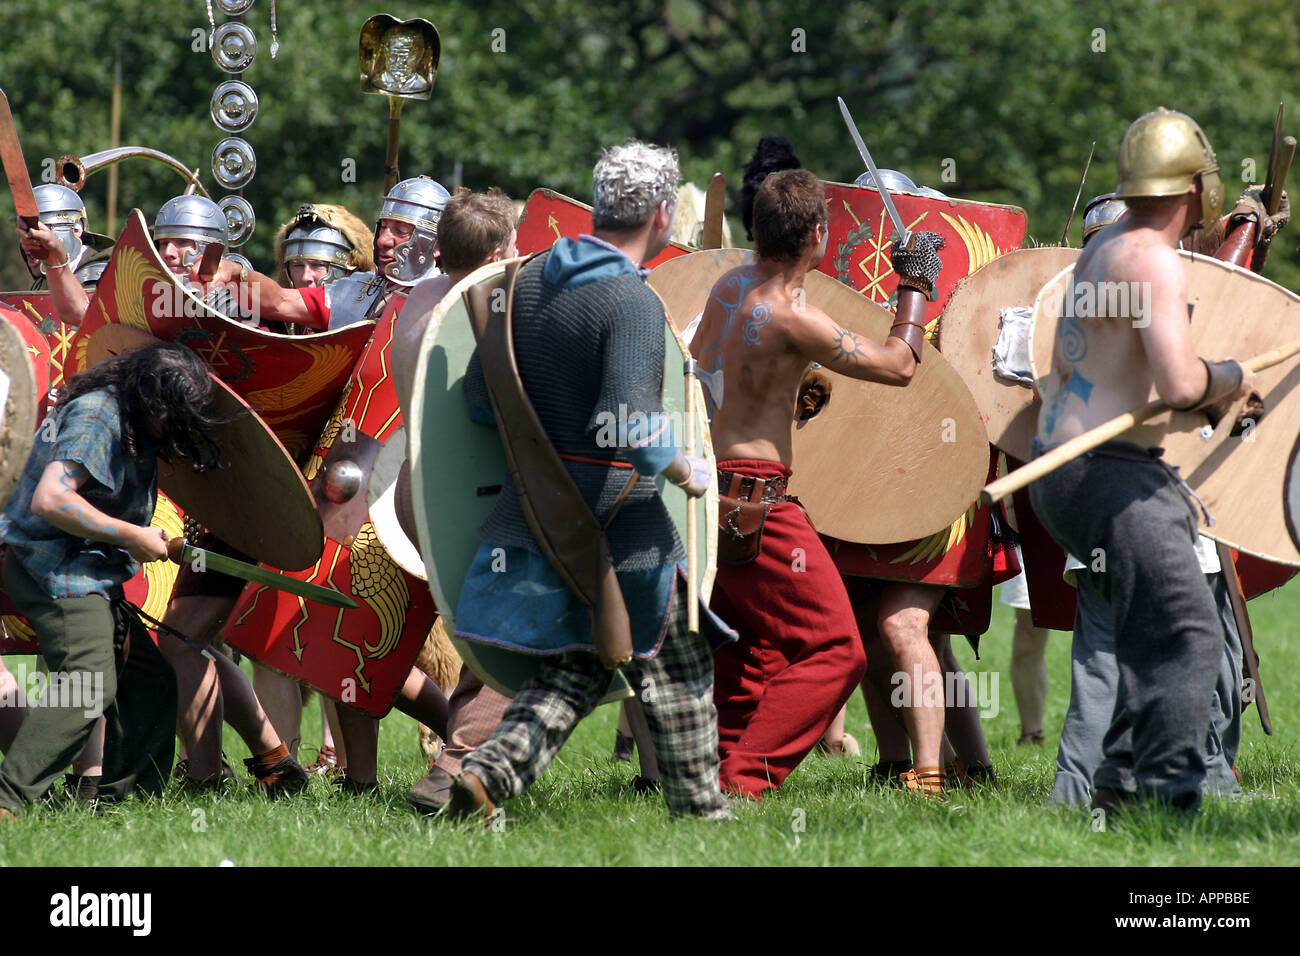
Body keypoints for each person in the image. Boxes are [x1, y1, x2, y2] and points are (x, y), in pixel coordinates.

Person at [444, 142, 732, 821]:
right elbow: (628, 421)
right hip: (619, 520)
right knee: (678, 663)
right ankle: (701, 811)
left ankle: (490, 773)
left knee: (583, 657)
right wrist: (683, 466)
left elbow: (481, 403)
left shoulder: (526, 279)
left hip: (537, 514)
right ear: (664, 214)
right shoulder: (629, 299)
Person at [1030, 107, 1254, 815]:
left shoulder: (1104, 250)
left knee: (1149, 630)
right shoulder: (1153, 260)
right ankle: (1169, 801)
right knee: (1190, 633)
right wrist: (1229, 378)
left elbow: (1139, 388)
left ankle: (1118, 795)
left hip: (1064, 468)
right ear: (1195, 188)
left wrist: (1204, 407)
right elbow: (1185, 381)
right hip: (1107, 473)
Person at [691, 168, 934, 799]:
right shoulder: (793, 314)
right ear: (819, 236)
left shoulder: (728, 287)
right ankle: (744, 781)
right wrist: (914, 284)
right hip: (756, 494)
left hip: (708, 484)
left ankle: (713, 775)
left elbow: (698, 370)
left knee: (744, 651)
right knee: (836, 649)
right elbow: (900, 366)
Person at [0, 343, 221, 818]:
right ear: (152, 399)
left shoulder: (133, 415)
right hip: (54, 569)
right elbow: (50, 501)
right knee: (88, 685)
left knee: (150, 681)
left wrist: (139, 533)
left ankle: (127, 803)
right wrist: (132, 535)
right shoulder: (99, 415)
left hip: (88, 569)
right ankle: (8, 802)